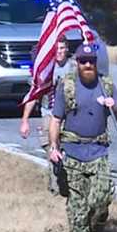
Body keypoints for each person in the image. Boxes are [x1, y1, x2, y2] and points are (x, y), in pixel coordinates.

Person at [48, 44, 117, 232]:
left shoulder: (106, 85)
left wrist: (114, 107)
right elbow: (56, 120)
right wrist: (54, 147)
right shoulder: (67, 85)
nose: (88, 65)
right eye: (83, 61)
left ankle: (97, 226)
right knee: (77, 204)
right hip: (73, 152)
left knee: (100, 200)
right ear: (77, 63)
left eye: (91, 61)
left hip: (98, 152)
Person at [20, 35, 74, 195]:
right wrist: (25, 120)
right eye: (57, 49)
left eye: (63, 48)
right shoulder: (45, 68)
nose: (60, 52)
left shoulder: (74, 67)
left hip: (69, 115)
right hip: (49, 114)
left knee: (69, 152)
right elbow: (33, 95)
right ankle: (55, 188)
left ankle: (69, 187)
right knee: (51, 150)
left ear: (67, 49)